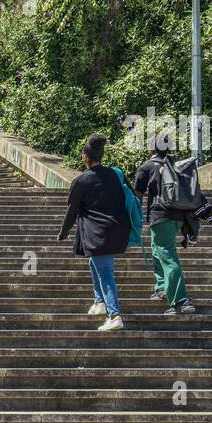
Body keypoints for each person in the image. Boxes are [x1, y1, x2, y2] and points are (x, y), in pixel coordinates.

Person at [58, 133, 131, 332]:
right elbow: (132, 196)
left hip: (98, 234)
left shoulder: (81, 180)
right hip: (118, 229)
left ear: (85, 157)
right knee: (95, 263)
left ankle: (114, 315)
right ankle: (99, 303)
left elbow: (72, 210)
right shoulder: (116, 175)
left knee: (105, 272)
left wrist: (63, 233)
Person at [134, 132, 198, 315]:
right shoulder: (175, 165)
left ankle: (182, 300)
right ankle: (161, 287)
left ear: (152, 147)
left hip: (161, 217)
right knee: (157, 249)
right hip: (180, 215)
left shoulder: (147, 167)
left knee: (167, 256)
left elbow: (137, 195)